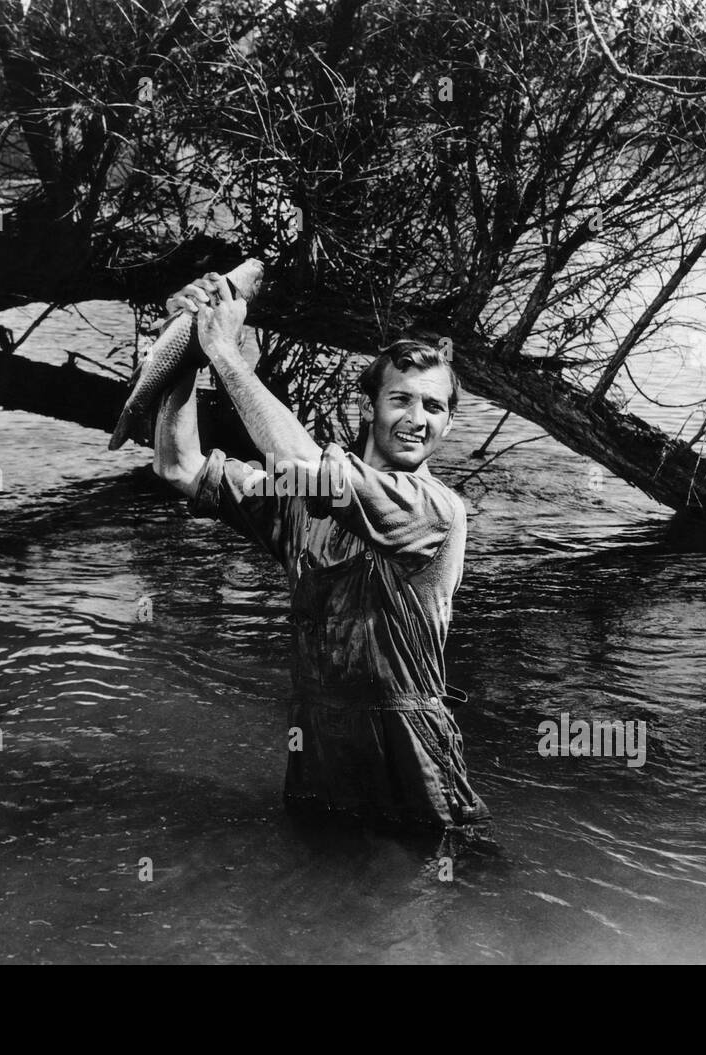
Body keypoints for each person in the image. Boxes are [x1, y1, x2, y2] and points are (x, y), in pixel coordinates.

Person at [152, 271, 491, 839]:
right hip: (316, 738)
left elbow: (315, 473)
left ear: (449, 423)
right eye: (401, 399)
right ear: (367, 407)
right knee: (313, 890)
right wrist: (183, 353)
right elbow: (177, 465)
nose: (417, 418)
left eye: (434, 406)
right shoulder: (297, 505)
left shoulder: (435, 510)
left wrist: (225, 353)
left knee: (428, 888)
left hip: (409, 744)